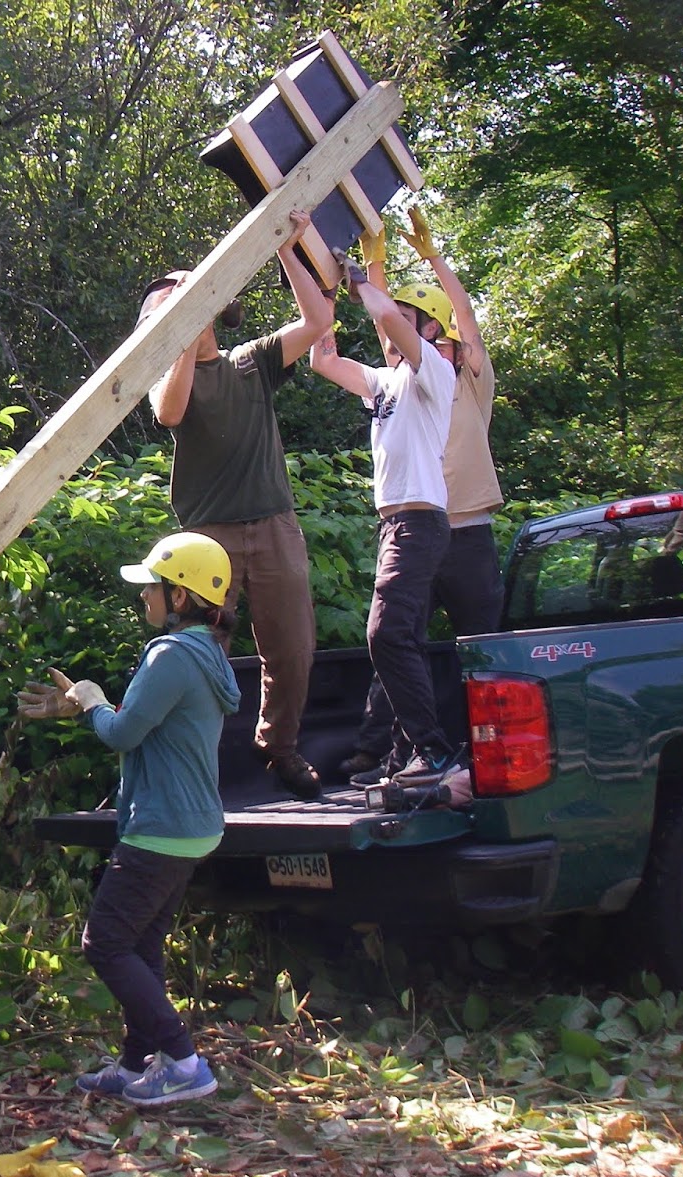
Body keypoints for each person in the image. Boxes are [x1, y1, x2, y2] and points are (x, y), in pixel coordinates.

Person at [16, 532, 241, 1108]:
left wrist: (92, 702)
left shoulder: (170, 656)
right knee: (141, 944)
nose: (144, 598)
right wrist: (92, 709)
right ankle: (138, 1063)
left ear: (182, 597)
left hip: (161, 826)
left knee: (106, 942)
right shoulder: (207, 655)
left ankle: (185, 1062)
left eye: (153, 589)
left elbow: (121, 733)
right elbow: (149, 726)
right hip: (193, 825)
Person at [142, 209, 331, 799]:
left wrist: (290, 247)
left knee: (293, 648)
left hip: (273, 524)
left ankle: (278, 749)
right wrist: (178, 335)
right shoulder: (166, 376)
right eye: (167, 305)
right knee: (197, 653)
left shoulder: (250, 361)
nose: (178, 306)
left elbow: (318, 319)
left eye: (188, 297)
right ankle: (184, 768)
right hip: (207, 539)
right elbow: (170, 413)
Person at [340, 208, 504, 784]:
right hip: (420, 525)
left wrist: (434, 257)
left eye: (444, 339)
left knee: (480, 651)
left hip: (467, 533)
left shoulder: (468, 378)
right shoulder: (407, 381)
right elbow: (391, 328)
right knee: (396, 639)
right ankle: (383, 751)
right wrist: (374, 262)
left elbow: (462, 318)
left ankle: (483, 748)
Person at [310, 252, 458, 786]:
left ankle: (434, 751)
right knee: (405, 640)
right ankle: (405, 761)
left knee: (386, 635)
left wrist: (359, 280)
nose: (390, 321)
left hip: (417, 523)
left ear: (430, 326)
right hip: (395, 526)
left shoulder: (435, 373)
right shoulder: (383, 382)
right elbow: (322, 361)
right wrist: (323, 296)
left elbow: (388, 319)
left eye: (405, 315)